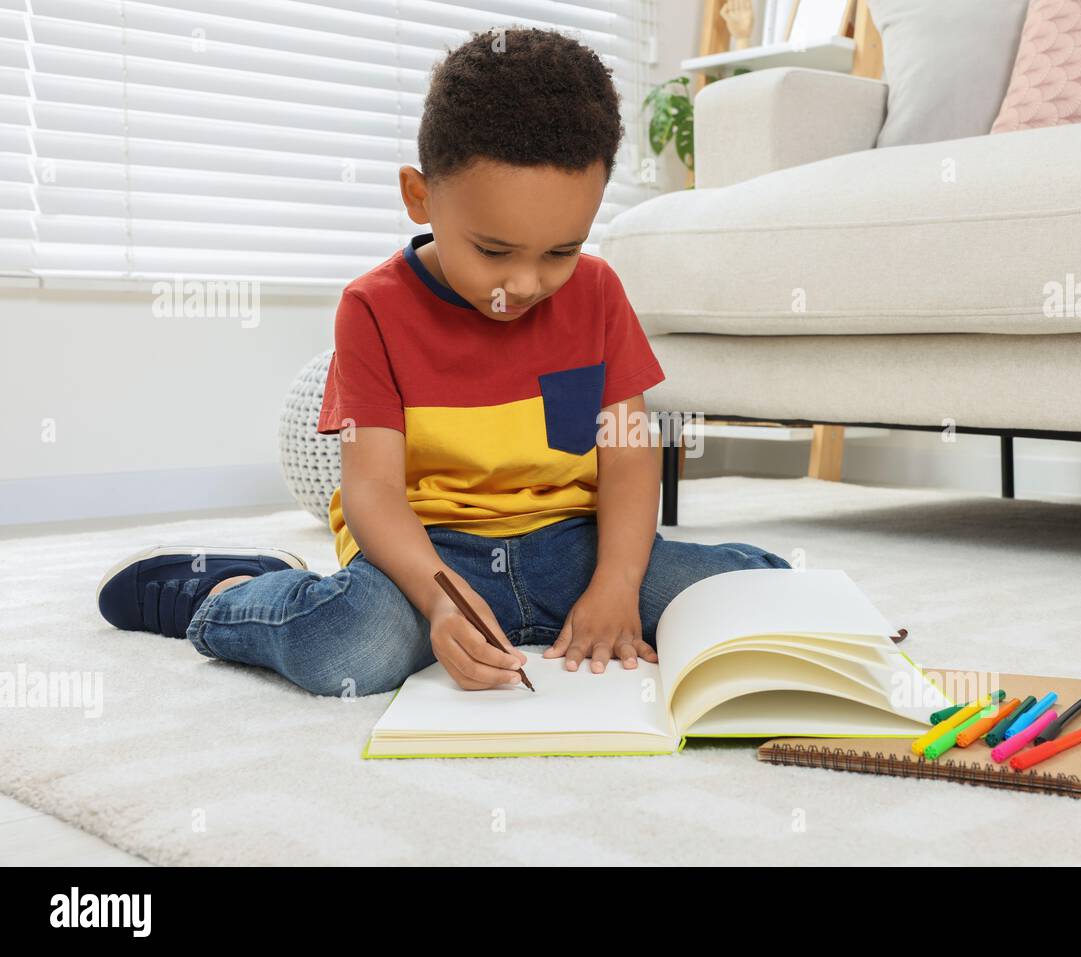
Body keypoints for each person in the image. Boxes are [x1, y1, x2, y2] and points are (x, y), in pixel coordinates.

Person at [97, 27, 790, 697]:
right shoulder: (372, 308)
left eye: (560, 251)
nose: (524, 283)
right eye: (493, 251)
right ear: (419, 196)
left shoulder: (599, 292)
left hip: (574, 548)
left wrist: (615, 582)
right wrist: (441, 601)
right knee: (343, 648)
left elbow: (631, 459)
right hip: (428, 553)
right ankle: (226, 590)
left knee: (758, 595)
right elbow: (372, 493)